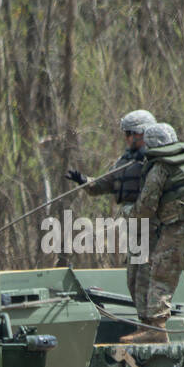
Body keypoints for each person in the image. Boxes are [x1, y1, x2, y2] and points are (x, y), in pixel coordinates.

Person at [121, 123, 184, 343]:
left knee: (160, 277)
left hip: (177, 229)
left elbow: (146, 206)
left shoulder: (161, 167)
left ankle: (157, 330)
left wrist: (129, 213)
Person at [67, 109, 156, 322]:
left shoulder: (155, 160)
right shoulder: (125, 160)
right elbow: (104, 184)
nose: (126, 138)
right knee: (133, 280)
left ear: (141, 133)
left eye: (129, 133)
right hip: (135, 229)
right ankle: (145, 323)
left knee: (147, 278)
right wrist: (84, 181)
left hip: (153, 227)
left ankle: (153, 326)